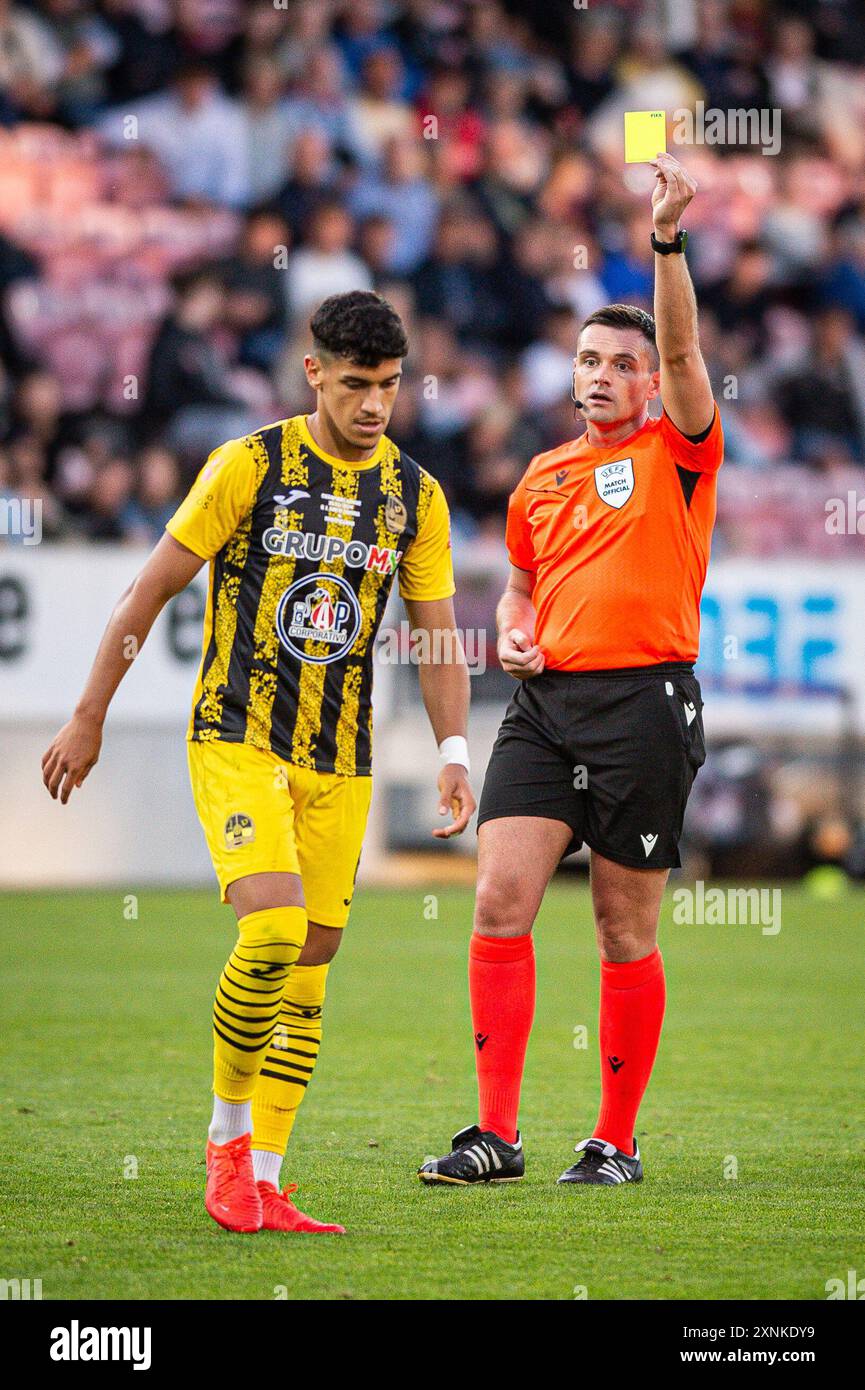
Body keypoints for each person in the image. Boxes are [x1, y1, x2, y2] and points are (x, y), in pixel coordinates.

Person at [42, 290, 475, 1233]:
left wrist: (451, 751)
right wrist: (88, 717)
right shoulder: (248, 466)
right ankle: (225, 1144)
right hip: (238, 736)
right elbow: (146, 592)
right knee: (275, 930)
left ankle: (268, 1179)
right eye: (355, 384)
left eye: (389, 387)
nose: (373, 405)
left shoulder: (414, 494)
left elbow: (437, 637)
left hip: (343, 757)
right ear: (312, 370)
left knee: (312, 967)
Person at [419, 152, 723, 1187]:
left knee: (619, 921)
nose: (598, 373)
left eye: (617, 363)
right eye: (586, 359)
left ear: (650, 383)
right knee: (500, 897)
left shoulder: (679, 450)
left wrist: (665, 238)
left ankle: (614, 1140)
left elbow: (680, 341)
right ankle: (494, 1134)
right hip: (543, 706)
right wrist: (510, 625)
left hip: (644, 701)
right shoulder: (540, 477)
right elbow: (516, 586)